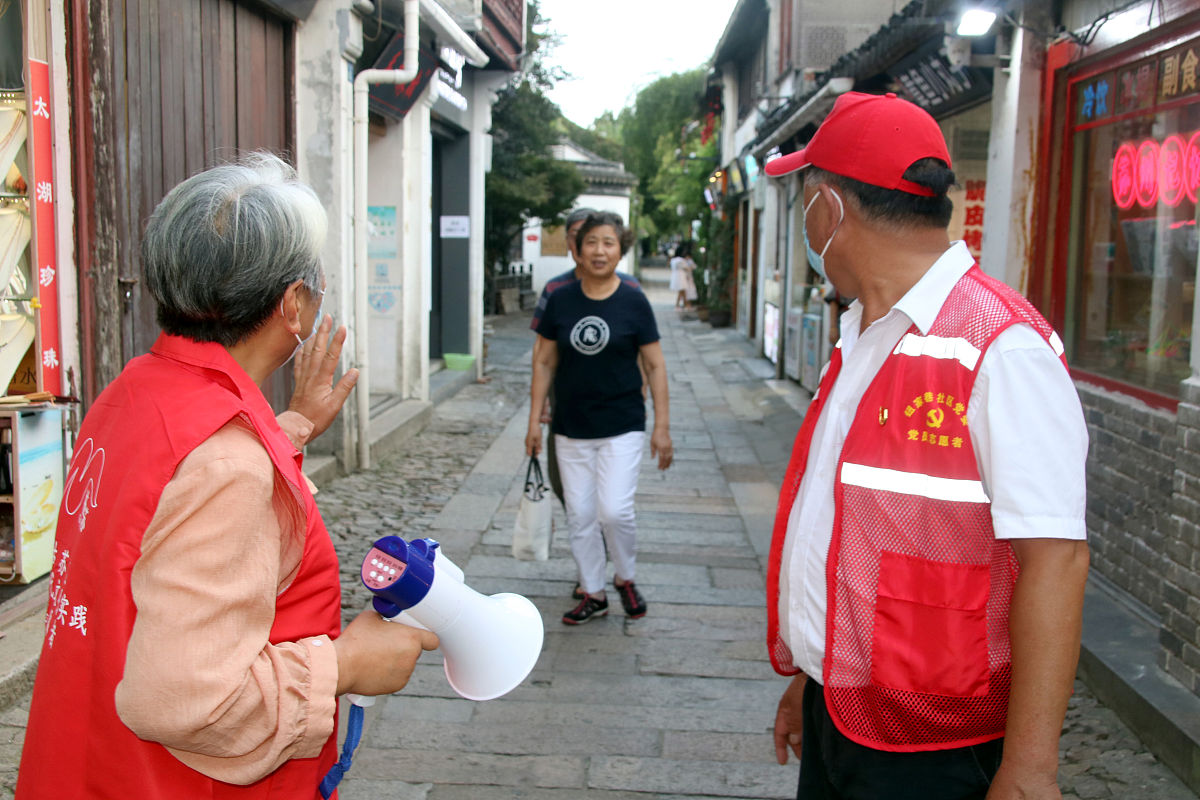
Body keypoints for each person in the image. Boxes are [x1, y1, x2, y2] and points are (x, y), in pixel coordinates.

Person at [17, 153, 438, 799]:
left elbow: (166, 512)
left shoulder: (132, 393)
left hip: (83, 759)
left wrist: (290, 425)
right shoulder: (226, 458)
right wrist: (345, 663)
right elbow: (186, 700)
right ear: (292, 303)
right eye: (314, 280)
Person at [762, 92, 1090, 800]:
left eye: (804, 202)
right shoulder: (862, 335)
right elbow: (841, 524)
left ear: (829, 209)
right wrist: (811, 680)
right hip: (842, 710)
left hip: (937, 743)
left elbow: (1057, 561)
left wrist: (1030, 770)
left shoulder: (1002, 349)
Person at [526, 211, 672, 625]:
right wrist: (534, 421)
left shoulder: (633, 300)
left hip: (622, 423)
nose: (599, 251)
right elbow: (544, 362)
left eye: (608, 242)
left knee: (614, 510)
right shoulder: (560, 299)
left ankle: (625, 576)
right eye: (591, 242)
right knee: (580, 514)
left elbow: (656, 365)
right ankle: (593, 591)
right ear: (577, 248)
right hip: (570, 428)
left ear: (620, 250)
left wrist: (661, 426)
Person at [529, 207, 642, 516]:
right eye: (581, 238)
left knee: (611, 488)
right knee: (564, 478)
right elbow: (542, 355)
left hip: (616, 399)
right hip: (566, 396)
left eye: (603, 240)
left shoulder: (630, 289)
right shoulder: (555, 290)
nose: (594, 248)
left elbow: (644, 352)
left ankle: (602, 527)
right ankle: (586, 526)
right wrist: (539, 408)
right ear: (571, 243)